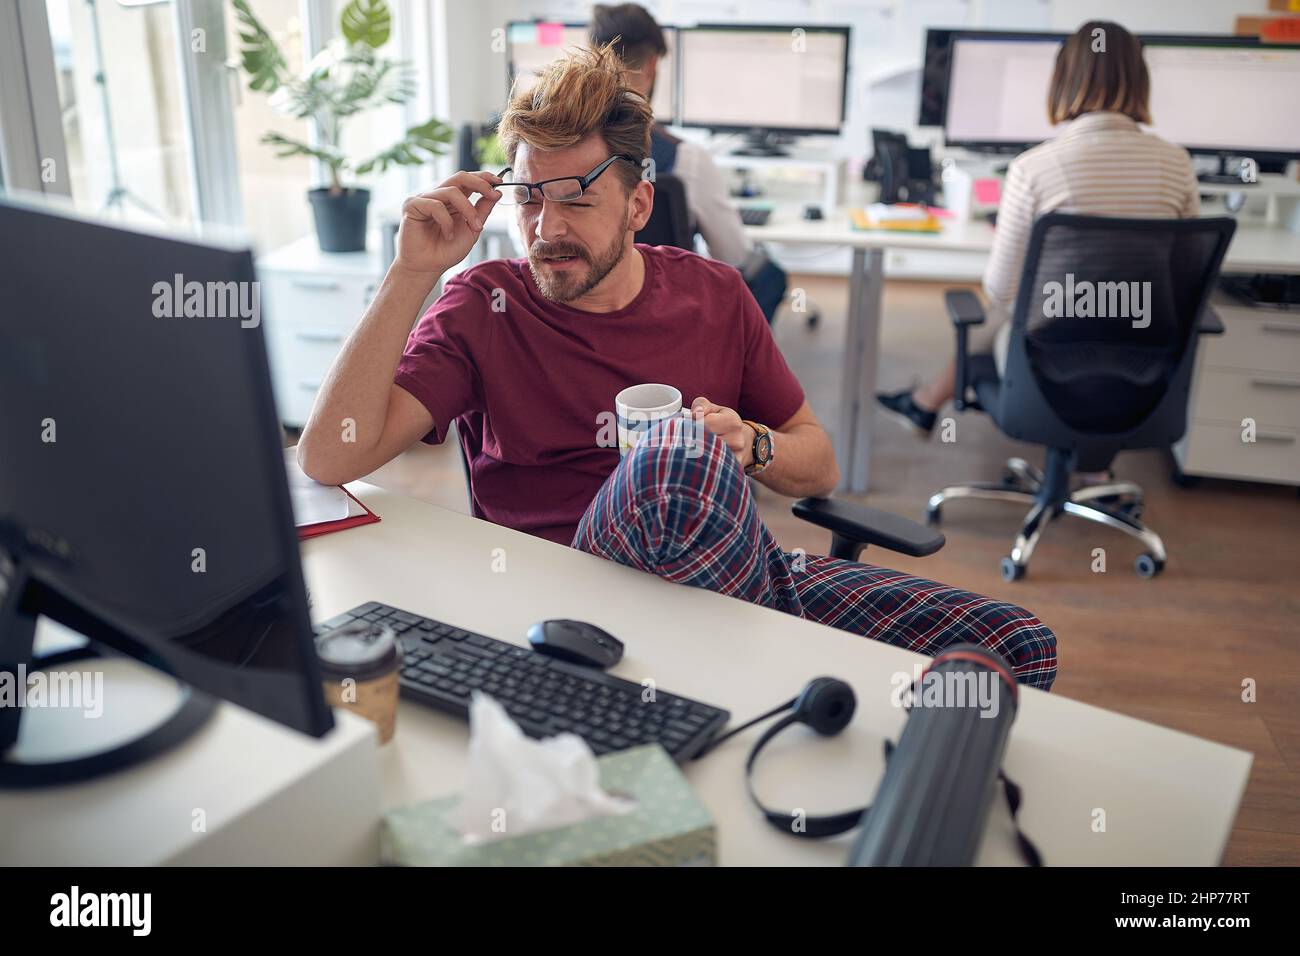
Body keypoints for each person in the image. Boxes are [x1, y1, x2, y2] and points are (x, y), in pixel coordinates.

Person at [296, 45, 1057, 689]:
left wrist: (751, 445)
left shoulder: (715, 294)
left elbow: (817, 465)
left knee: (1015, 644)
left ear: (637, 205)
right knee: (675, 464)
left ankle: (780, 674)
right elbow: (330, 456)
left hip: (735, 575)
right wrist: (409, 274)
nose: (547, 228)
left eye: (576, 201)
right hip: (567, 600)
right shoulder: (481, 305)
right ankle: (776, 660)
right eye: (529, 199)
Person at [877, 20, 1201, 439]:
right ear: (1141, 81)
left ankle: (925, 403)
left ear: (1063, 80)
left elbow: (1000, 289)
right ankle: (1092, 468)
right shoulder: (1177, 164)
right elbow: (1188, 277)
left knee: (1002, 311)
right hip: (1144, 355)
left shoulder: (1034, 168)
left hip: (1048, 359)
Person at [588, 2, 753, 269]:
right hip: (667, 307)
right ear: (651, 66)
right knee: (769, 275)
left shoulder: (557, 155)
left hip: (576, 306)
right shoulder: (687, 158)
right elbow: (734, 255)